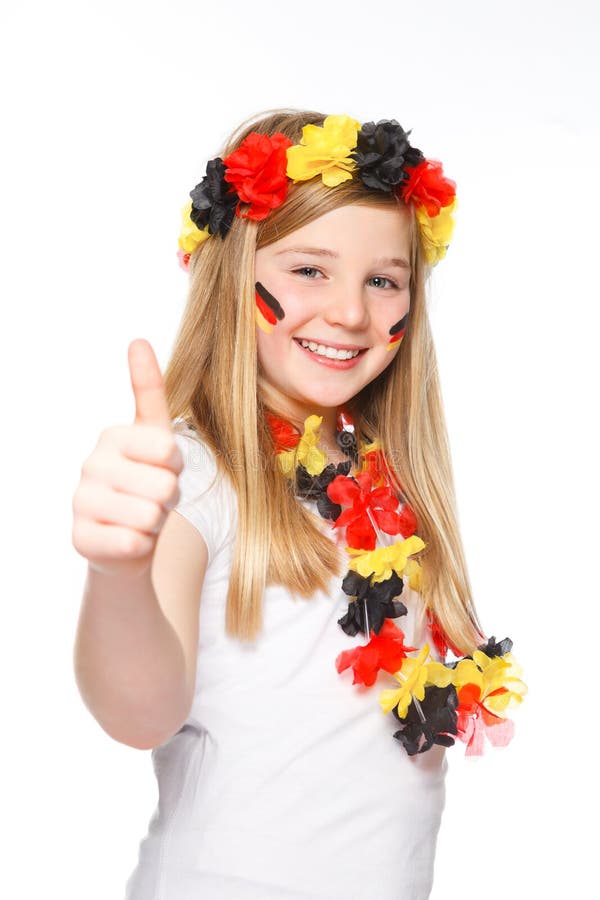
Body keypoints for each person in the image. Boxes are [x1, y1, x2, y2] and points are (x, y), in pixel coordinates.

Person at [71, 109, 526, 900]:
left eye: (383, 280)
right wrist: (119, 572)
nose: (351, 312)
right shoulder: (196, 473)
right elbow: (141, 712)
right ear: (231, 271)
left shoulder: (383, 482)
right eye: (310, 270)